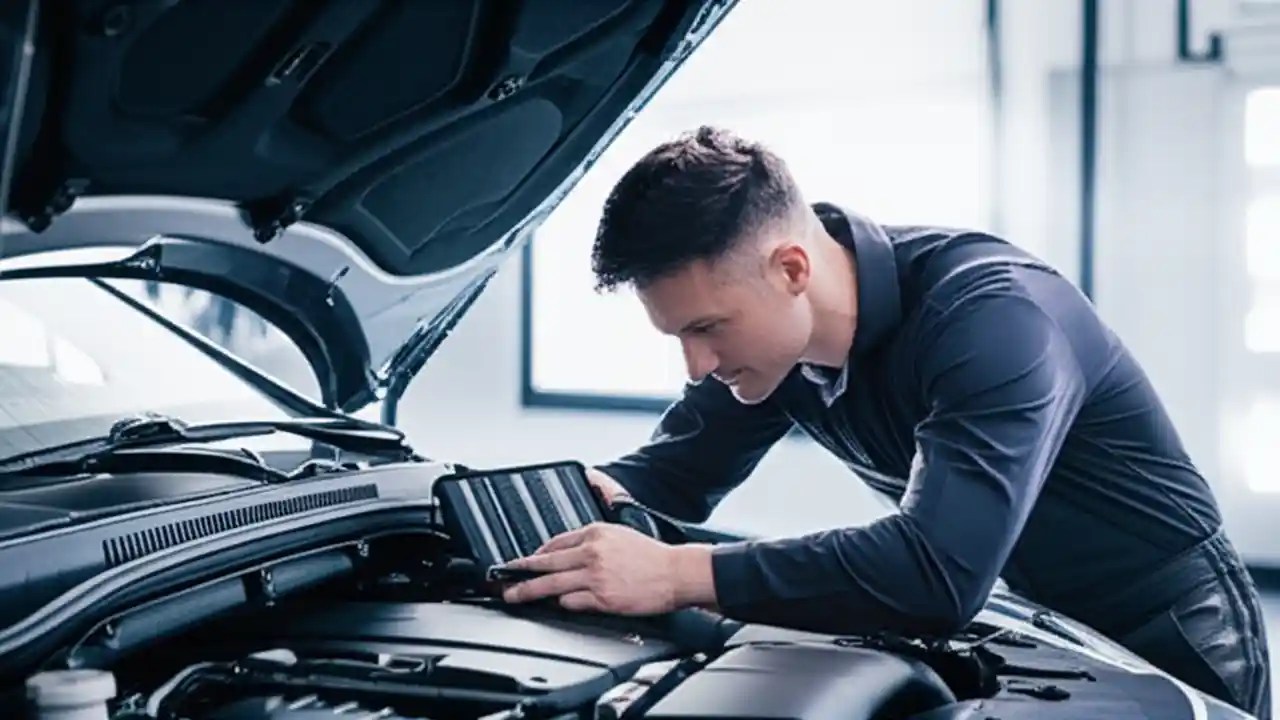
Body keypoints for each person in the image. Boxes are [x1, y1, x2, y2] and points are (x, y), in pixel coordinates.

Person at [500, 126, 1271, 718]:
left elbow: (934, 571)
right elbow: (669, 479)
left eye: (707, 329)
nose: (697, 366)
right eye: (679, 339)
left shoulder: (993, 318)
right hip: (1036, 624)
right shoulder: (775, 343)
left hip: (1171, 633)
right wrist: (565, 512)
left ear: (791, 270)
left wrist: (673, 574)